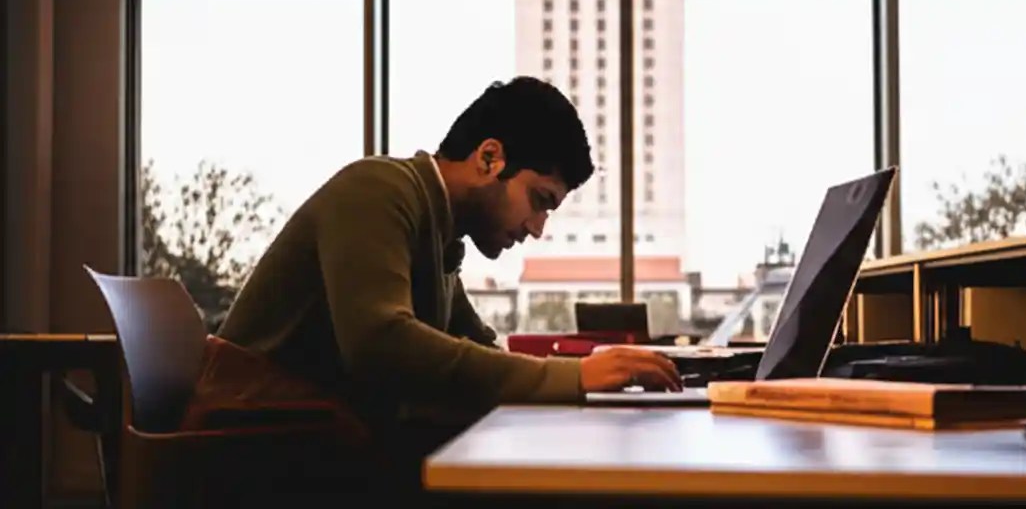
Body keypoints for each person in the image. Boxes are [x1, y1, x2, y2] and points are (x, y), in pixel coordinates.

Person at [217, 77, 680, 449]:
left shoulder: (438, 227)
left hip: (319, 440)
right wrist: (576, 376)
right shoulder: (379, 189)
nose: (537, 227)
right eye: (539, 201)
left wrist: (592, 373)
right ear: (489, 158)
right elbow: (383, 344)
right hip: (255, 448)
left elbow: (473, 346)